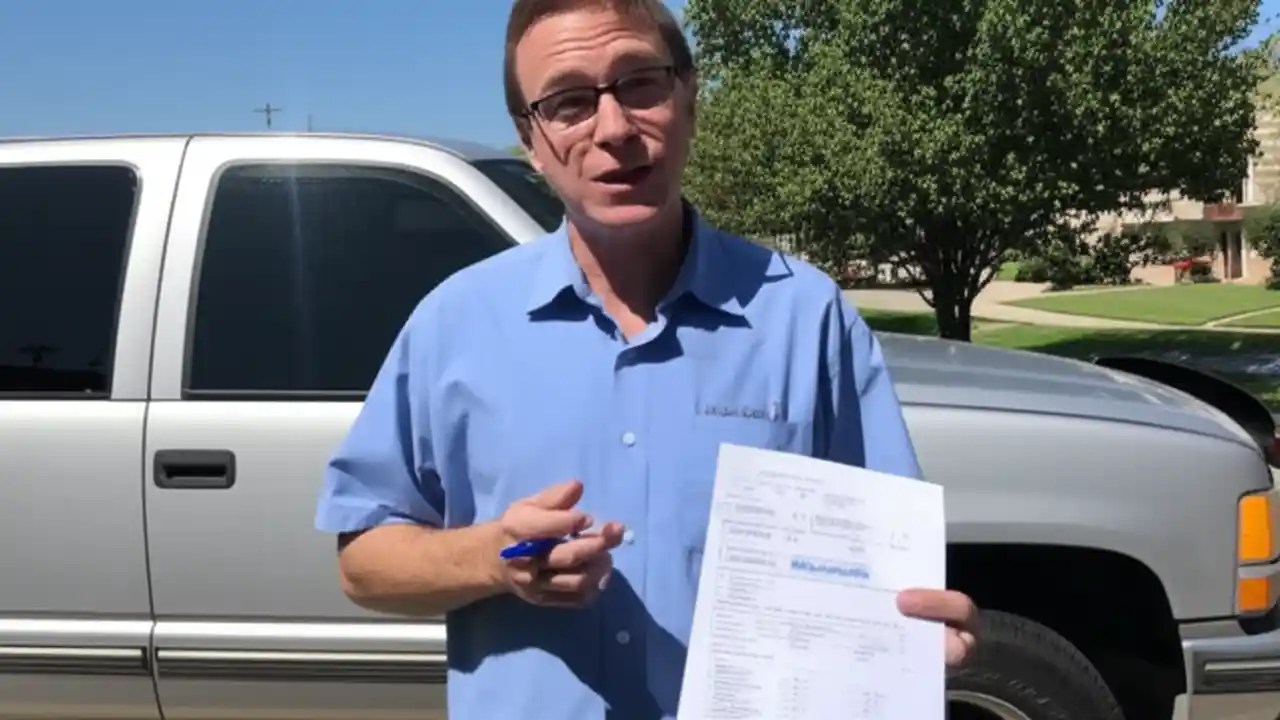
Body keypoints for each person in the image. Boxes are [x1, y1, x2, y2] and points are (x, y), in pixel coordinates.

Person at [315, 0, 980, 717]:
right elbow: (363, 563)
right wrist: (495, 558)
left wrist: (907, 641)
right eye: (569, 103)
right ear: (531, 140)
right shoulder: (457, 324)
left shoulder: (805, 319)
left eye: (640, 84)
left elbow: (880, 575)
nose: (613, 129)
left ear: (688, 98)